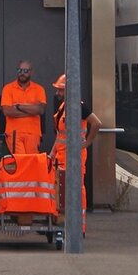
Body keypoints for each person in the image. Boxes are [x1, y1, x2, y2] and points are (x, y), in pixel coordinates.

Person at [49, 73, 102, 232]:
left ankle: (79, 226)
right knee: (61, 189)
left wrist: (87, 143)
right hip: (61, 156)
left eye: (60, 90)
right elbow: (60, 135)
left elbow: (96, 123)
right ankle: (63, 222)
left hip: (74, 157)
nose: (57, 93)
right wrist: (52, 154)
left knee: (77, 189)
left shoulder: (78, 106)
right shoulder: (63, 107)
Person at [0, 59, 47, 154]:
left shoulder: (39, 89)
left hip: (33, 133)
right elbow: (7, 111)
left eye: (25, 71)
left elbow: (41, 110)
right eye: (20, 70)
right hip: (14, 133)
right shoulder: (8, 88)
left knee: (31, 160)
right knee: (20, 161)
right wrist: (32, 110)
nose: (22, 73)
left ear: (31, 72)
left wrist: (18, 107)